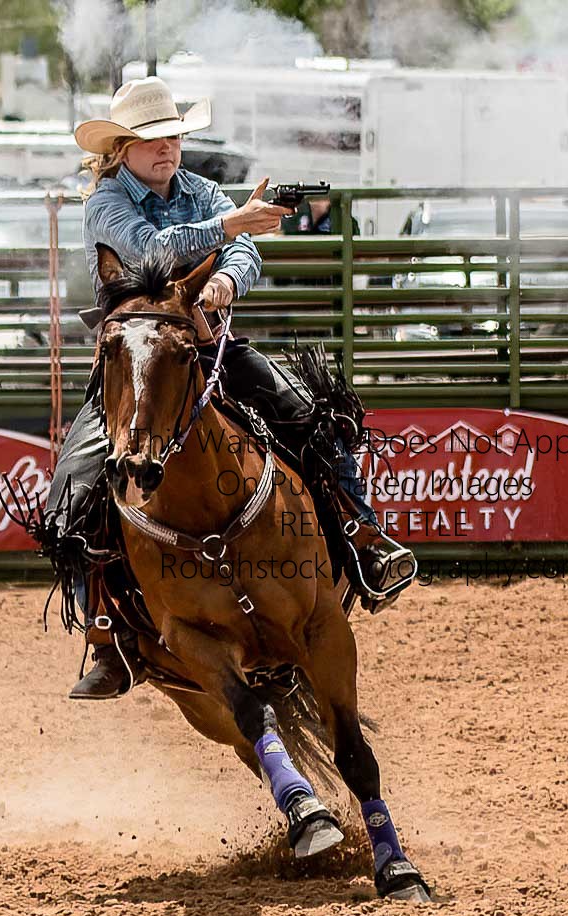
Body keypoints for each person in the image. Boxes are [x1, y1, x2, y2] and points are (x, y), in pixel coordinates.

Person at [49, 77, 416, 701]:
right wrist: (230, 225)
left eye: (172, 136)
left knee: (310, 415)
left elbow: (245, 251)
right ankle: (107, 637)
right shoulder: (105, 203)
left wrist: (224, 285)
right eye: (151, 138)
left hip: (207, 346)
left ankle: (361, 537)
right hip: (134, 362)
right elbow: (151, 249)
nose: (167, 148)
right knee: (75, 492)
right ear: (120, 151)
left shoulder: (198, 191)